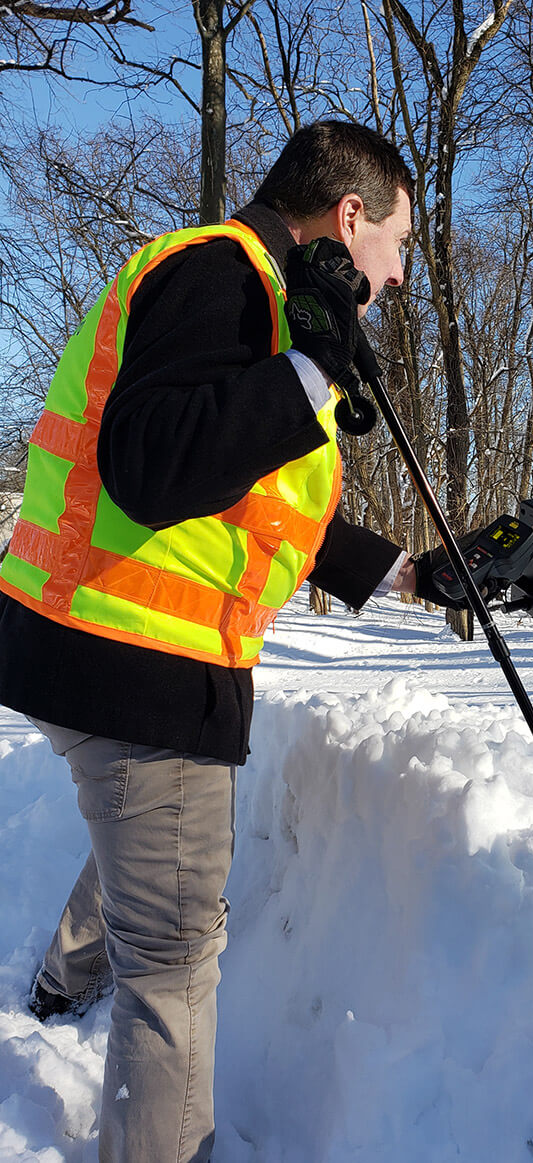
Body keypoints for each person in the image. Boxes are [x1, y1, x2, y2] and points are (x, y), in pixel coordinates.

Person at [0, 120, 467, 1163]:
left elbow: (240, 502)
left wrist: (401, 569)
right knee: (172, 950)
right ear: (350, 217)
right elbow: (156, 466)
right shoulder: (222, 273)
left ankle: (60, 979)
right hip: (135, 657)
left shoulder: (251, 292)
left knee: (138, 821)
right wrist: (307, 371)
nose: (393, 278)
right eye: (398, 247)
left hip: (84, 644)